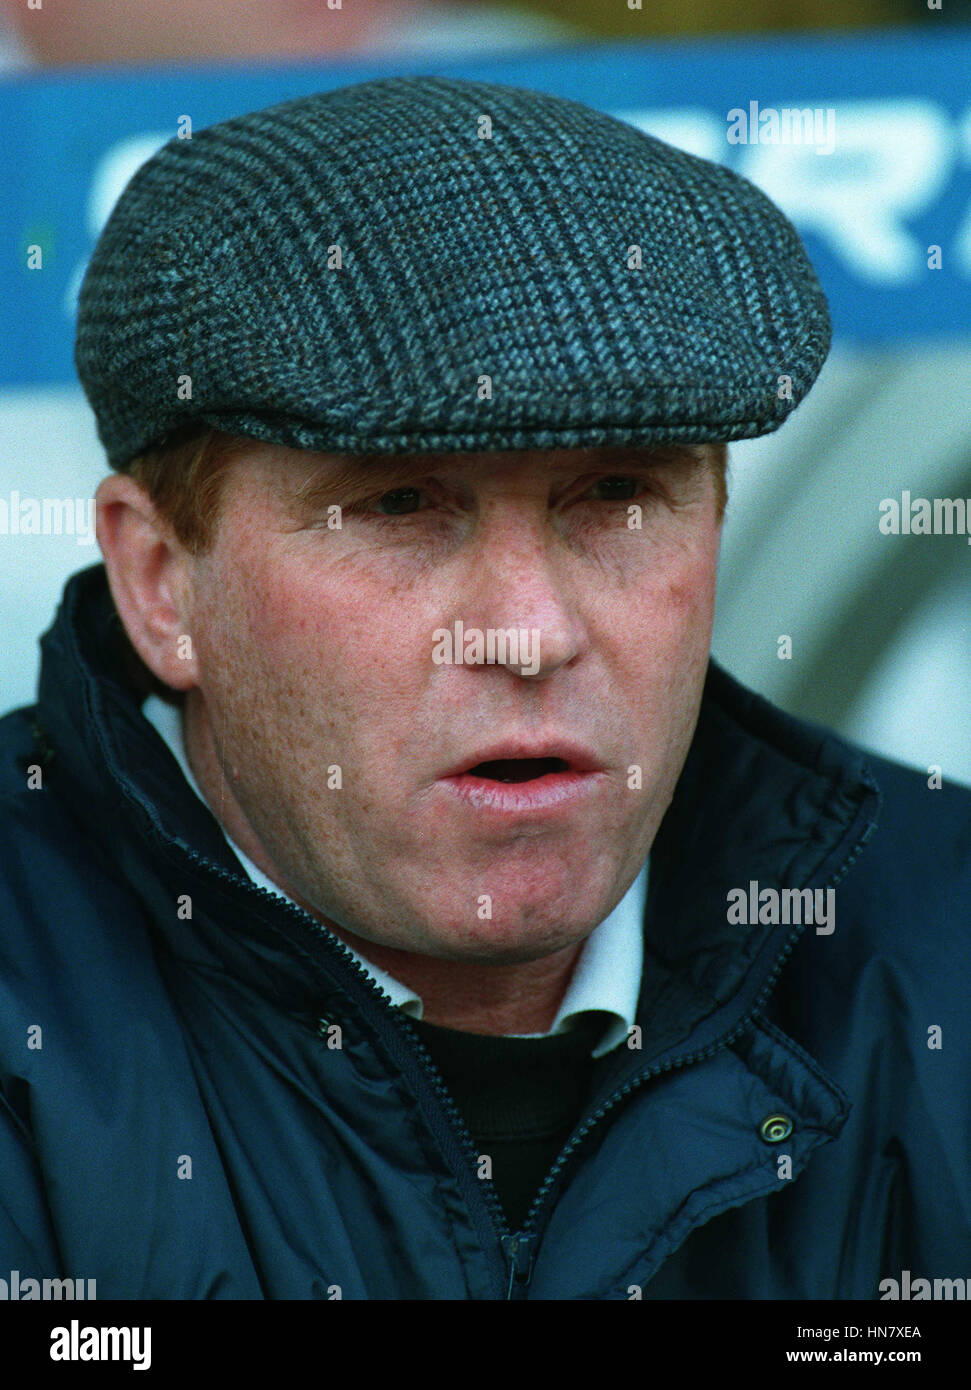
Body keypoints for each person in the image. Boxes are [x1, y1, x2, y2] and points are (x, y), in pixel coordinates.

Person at [1, 74, 968, 1301]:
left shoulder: (944, 948)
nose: (527, 631)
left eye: (615, 495)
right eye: (401, 504)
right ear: (160, 584)